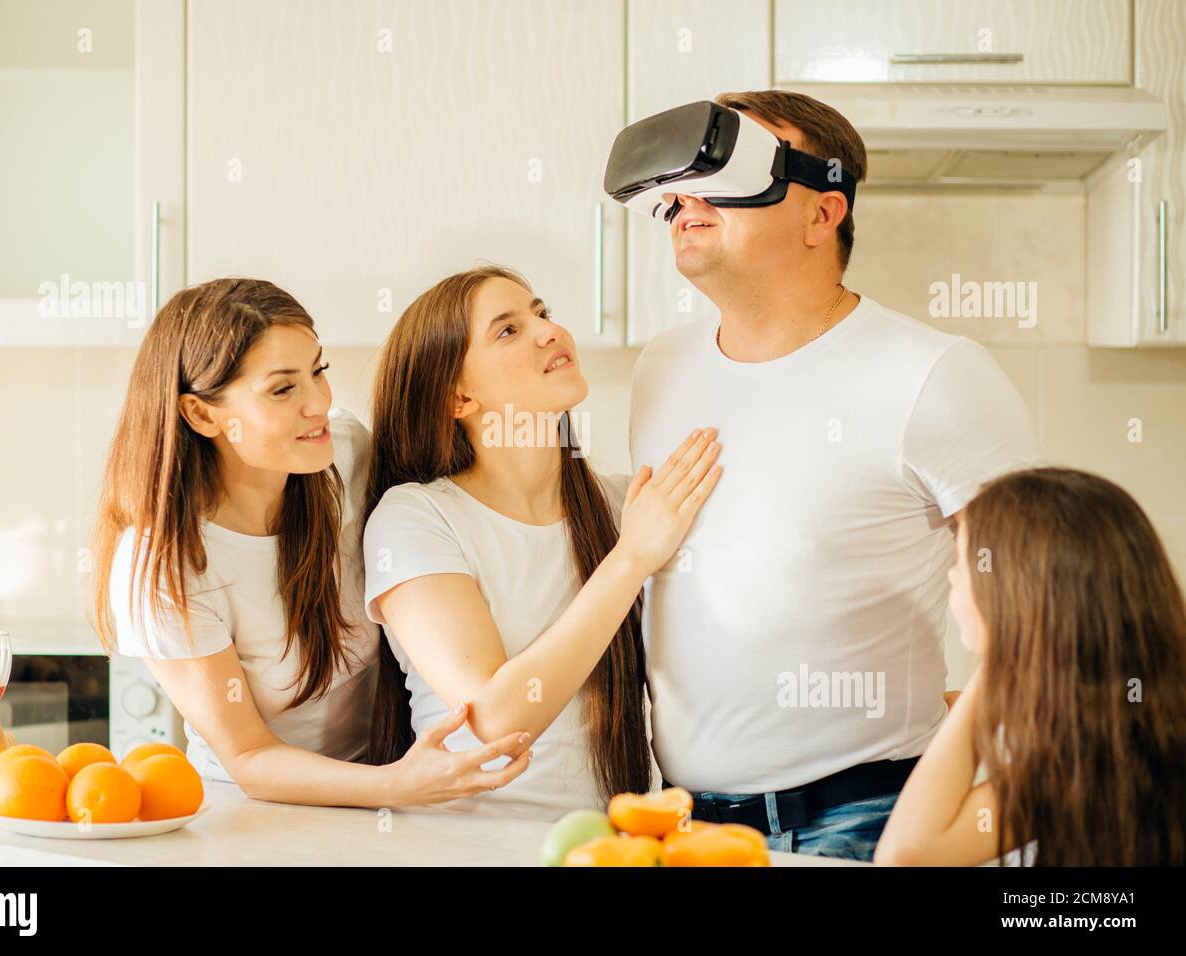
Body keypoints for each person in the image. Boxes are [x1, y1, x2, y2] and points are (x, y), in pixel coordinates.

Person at [628, 90, 1046, 860]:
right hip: (685, 825)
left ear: (823, 214)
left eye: (732, 166)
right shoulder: (660, 368)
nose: (688, 196)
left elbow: (1043, 602)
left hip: (867, 820)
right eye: (689, 174)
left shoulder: (935, 376)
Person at [92, 277, 531, 808]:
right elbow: (250, 757)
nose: (318, 403)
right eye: (283, 389)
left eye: (318, 371)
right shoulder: (166, 566)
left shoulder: (347, 458)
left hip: (388, 787)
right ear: (202, 414)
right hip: (255, 814)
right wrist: (399, 785)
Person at [362, 265, 721, 821]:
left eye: (542, 313)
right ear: (457, 397)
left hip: (605, 847)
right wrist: (630, 560)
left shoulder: (621, 507)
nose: (549, 331)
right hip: (468, 850)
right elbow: (496, 722)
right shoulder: (416, 517)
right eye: (507, 330)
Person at [876, 467, 1186, 866]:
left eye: (966, 561)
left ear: (1021, 592)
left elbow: (907, 855)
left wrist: (1003, 656)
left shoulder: (1075, 763)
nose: (953, 575)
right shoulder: (1135, 727)